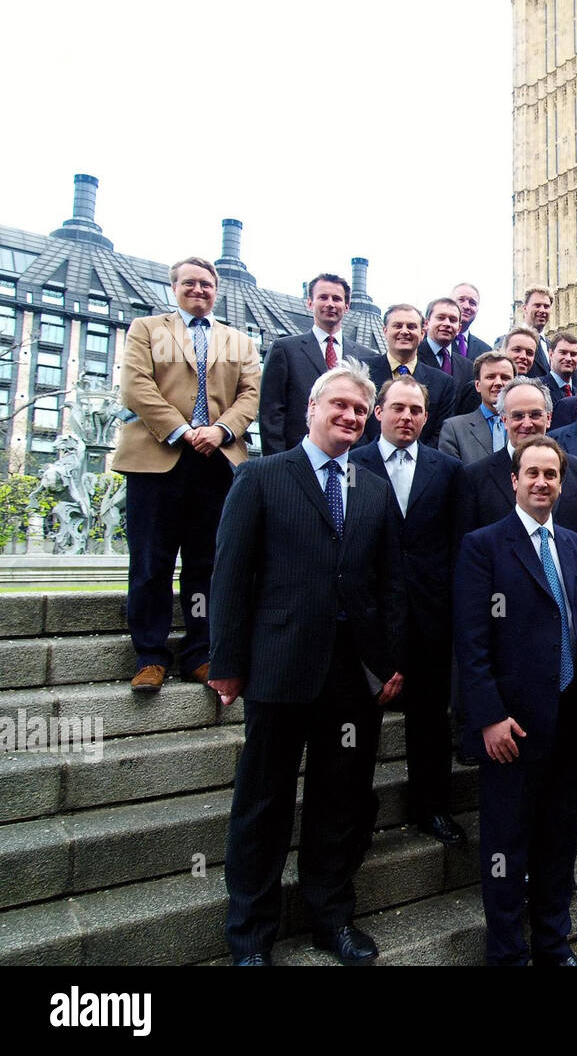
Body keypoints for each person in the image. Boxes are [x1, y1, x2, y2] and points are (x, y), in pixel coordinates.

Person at [209, 358, 405, 966]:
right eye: (337, 405)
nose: (348, 416)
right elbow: (231, 575)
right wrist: (226, 661)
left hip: (353, 677)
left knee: (340, 801)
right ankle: (250, 937)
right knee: (263, 804)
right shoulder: (263, 477)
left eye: (357, 409)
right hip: (279, 668)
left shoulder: (373, 487)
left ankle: (331, 919)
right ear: (312, 410)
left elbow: (390, 584)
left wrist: (390, 659)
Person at [454, 435, 577, 966]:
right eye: (533, 473)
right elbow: (471, 642)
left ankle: (552, 939)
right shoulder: (483, 545)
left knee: (559, 838)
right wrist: (490, 717)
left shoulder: (574, 544)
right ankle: (506, 951)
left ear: (561, 484)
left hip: (572, 715)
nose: (542, 482)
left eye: (552, 474)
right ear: (514, 481)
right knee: (506, 843)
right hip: (513, 726)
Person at [117, 256, 261, 693]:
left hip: (217, 464)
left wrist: (219, 430)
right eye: (189, 283)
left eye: (206, 284)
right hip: (158, 458)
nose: (198, 290)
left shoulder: (238, 341)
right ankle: (150, 655)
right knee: (150, 563)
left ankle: (200, 651)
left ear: (216, 290)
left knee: (206, 565)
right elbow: (135, 386)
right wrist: (183, 430)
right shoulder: (147, 330)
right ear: (173, 287)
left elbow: (250, 393)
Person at [352, 376, 466, 845]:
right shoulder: (352, 464)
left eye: (416, 410)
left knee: (429, 720)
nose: (407, 417)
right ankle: (357, 814)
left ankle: (431, 807)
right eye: (397, 408)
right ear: (378, 412)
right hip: (369, 616)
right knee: (360, 724)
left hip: (429, 616)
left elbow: (458, 544)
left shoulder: (447, 469)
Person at [456, 378, 577, 597]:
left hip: (569, 607)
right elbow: (467, 565)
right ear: (504, 420)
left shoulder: (575, 469)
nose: (527, 423)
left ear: (549, 418)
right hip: (506, 612)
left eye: (535, 414)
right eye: (517, 416)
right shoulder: (475, 477)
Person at [258, 272, 362, 456]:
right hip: (296, 457)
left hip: (349, 461)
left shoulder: (363, 356)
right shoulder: (285, 349)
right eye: (323, 297)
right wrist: (276, 465)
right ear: (309, 302)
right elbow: (271, 414)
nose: (330, 304)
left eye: (336, 299)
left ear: (346, 306)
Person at [360, 303, 456, 445]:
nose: (404, 331)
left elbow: (439, 434)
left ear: (422, 333)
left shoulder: (442, 382)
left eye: (411, 327)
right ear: (385, 331)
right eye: (398, 326)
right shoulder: (363, 372)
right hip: (366, 462)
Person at [438, 351, 514, 465]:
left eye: (505, 377)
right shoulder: (454, 429)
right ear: (477, 385)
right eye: (490, 377)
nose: (498, 383)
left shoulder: (527, 425)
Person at [419, 296, 475, 390]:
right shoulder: (412, 357)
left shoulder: (467, 367)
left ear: (459, 328)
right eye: (441, 318)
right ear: (426, 323)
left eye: (452, 320)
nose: (447, 324)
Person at [495, 285, 552, 377]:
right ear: (525, 308)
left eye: (546, 307)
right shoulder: (503, 341)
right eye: (537, 305)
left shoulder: (552, 346)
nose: (542, 310)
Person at [451, 282, 492, 360]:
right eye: (461, 300)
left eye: (472, 303)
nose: (466, 306)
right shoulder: (431, 340)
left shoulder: (486, 351)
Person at [545, 331, 577, 401]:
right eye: (563, 353)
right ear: (551, 354)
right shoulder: (539, 388)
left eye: (573, 354)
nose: (568, 358)